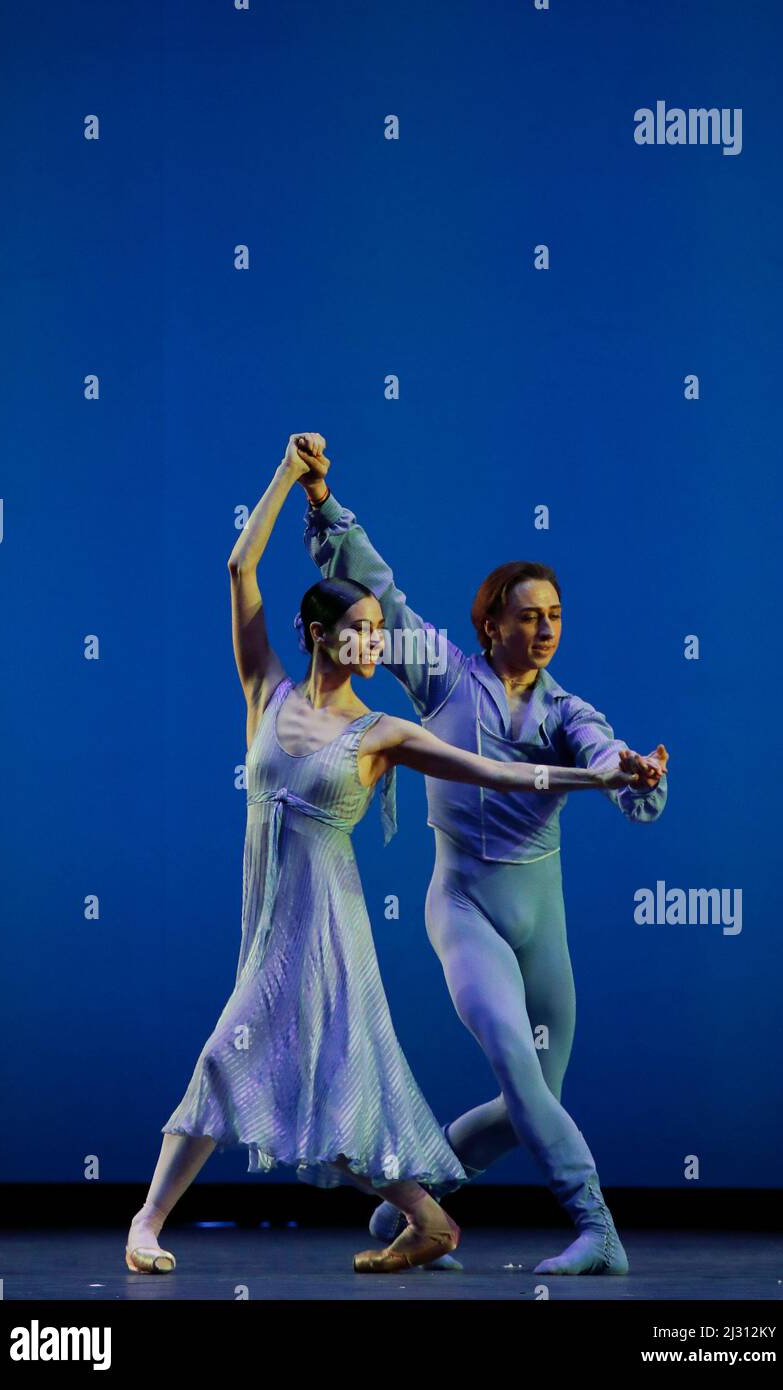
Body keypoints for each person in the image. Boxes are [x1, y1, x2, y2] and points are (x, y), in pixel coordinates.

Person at [124, 436, 638, 1277]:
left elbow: (505, 772)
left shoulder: (385, 731)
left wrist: (605, 773)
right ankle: (415, 1221)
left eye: (375, 636)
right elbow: (236, 569)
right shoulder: (268, 692)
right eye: (356, 634)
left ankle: (163, 1224)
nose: (372, 647)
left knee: (307, 1079)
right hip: (271, 923)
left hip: (332, 928)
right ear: (317, 634)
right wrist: (292, 480)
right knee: (275, 1076)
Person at [298, 432, 670, 1275]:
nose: (544, 631)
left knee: (525, 1103)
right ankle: (598, 1229)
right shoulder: (442, 676)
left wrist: (632, 773)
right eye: (528, 616)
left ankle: (418, 1211)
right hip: (463, 908)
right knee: (511, 1054)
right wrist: (323, 505)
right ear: (492, 621)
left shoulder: (569, 710)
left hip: (544, 925)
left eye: (556, 618)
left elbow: (609, 760)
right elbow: (380, 597)